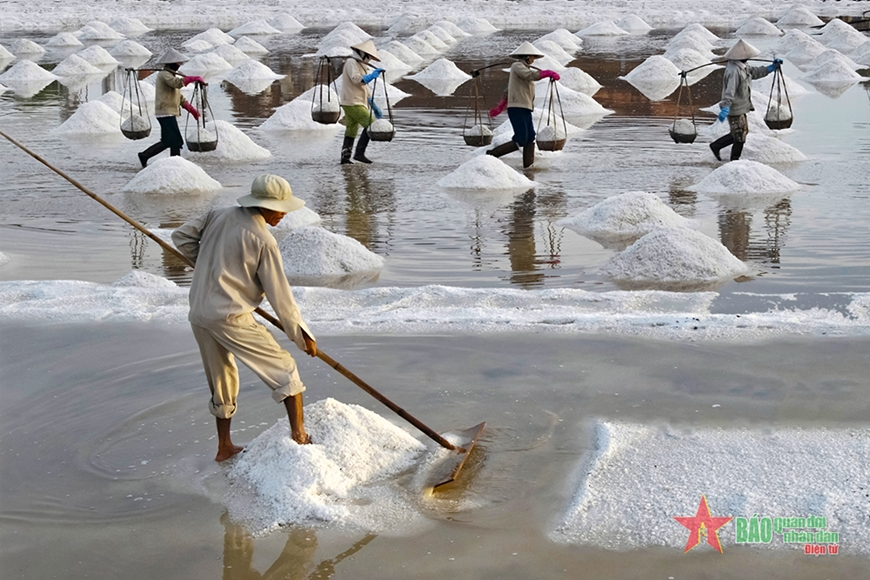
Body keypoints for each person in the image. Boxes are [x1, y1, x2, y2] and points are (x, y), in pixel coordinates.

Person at [172, 174, 317, 462]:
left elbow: (181, 237)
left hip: (200, 312)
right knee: (286, 370)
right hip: (230, 316)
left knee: (221, 379)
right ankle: (300, 436)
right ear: (263, 206)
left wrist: (208, 263)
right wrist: (302, 337)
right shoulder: (264, 240)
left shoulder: (218, 215)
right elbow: (280, 296)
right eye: (279, 209)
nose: (283, 214)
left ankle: (224, 447)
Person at [486, 42, 561, 169]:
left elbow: (508, 90)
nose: (533, 60)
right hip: (517, 108)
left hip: (525, 107)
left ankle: (528, 167)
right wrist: (546, 73)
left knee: (530, 137)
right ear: (526, 57)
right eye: (532, 57)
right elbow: (530, 75)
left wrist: (501, 105)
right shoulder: (517, 66)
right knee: (521, 138)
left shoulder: (524, 69)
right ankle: (492, 154)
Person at [709, 39, 782, 162]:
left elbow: (755, 72)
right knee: (740, 137)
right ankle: (734, 160)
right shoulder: (734, 71)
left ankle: (716, 145)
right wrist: (726, 106)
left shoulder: (743, 67)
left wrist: (771, 68)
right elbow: (730, 90)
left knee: (742, 132)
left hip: (742, 106)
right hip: (734, 107)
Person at [138, 48, 204, 168]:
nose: (179, 65)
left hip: (168, 113)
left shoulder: (170, 75)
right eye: (178, 63)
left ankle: (147, 156)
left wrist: (190, 109)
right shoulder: (164, 75)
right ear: (171, 63)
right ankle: (175, 164)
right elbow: (176, 83)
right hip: (165, 112)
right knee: (176, 141)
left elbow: (178, 95)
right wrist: (191, 79)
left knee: (168, 141)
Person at [339, 40, 384, 165]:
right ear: (362, 54)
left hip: (355, 101)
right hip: (352, 101)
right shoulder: (351, 62)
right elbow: (357, 80)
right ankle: (359, 154)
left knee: (352, 129)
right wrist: (371, 76)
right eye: (368, 57)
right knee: (371, 125)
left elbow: (364, 88)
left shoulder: (360, 65)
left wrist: (373, 105)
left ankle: (345, 158)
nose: (369, 60)